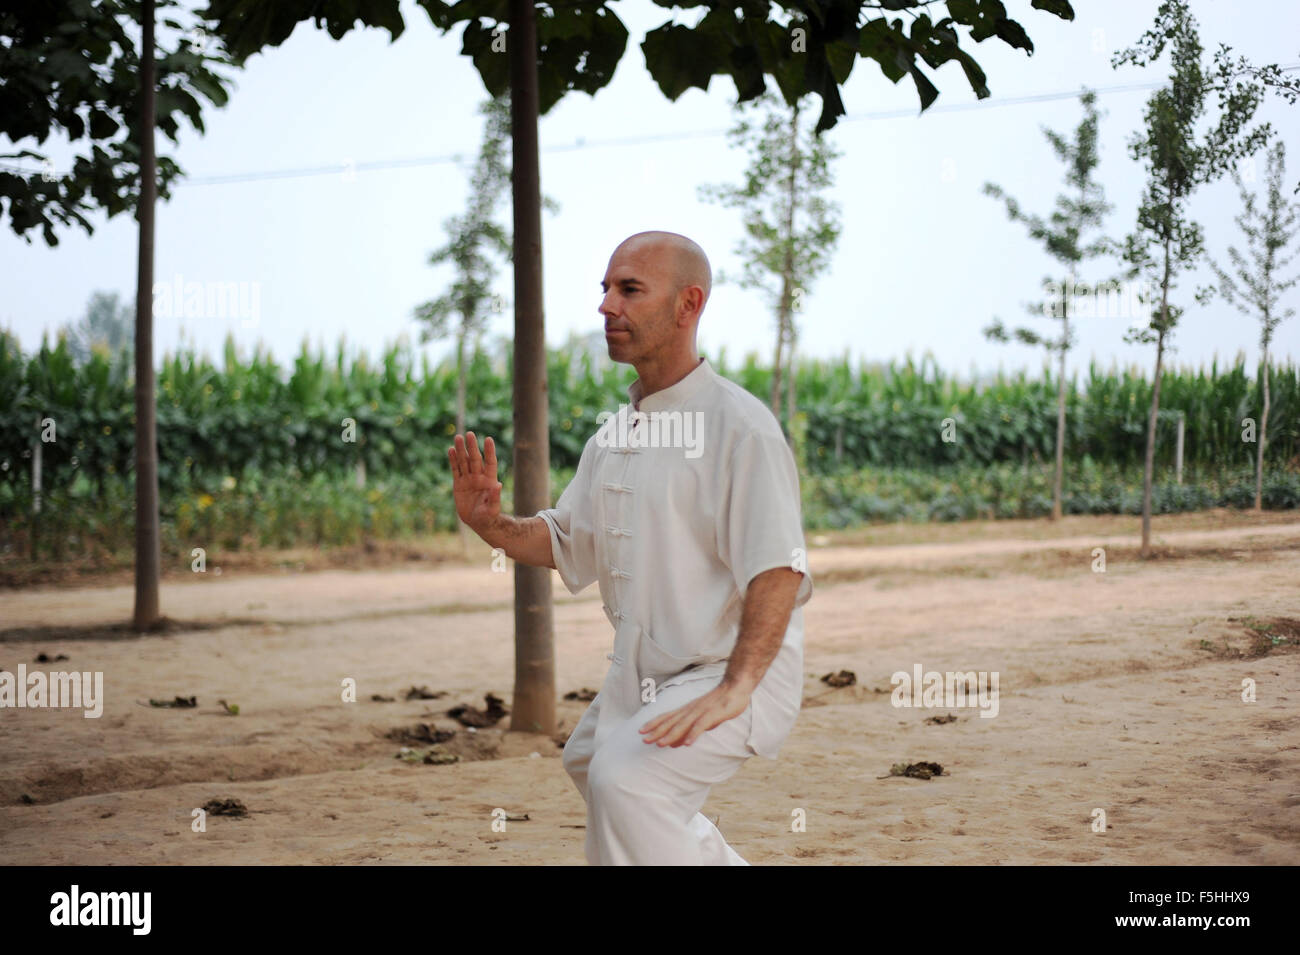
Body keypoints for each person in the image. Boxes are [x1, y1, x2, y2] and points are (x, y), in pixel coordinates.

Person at [447, 230, 812, 864]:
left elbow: (777, 570)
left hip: (729, 670)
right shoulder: (614, 435)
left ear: (687, 304)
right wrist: (492, 525)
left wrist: (736, 686)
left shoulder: (741, 427)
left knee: (625, 781)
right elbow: (569, 543)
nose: (607, 306)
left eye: (630, 290)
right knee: (592, 764)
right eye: (606, 289)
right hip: (642, 676)